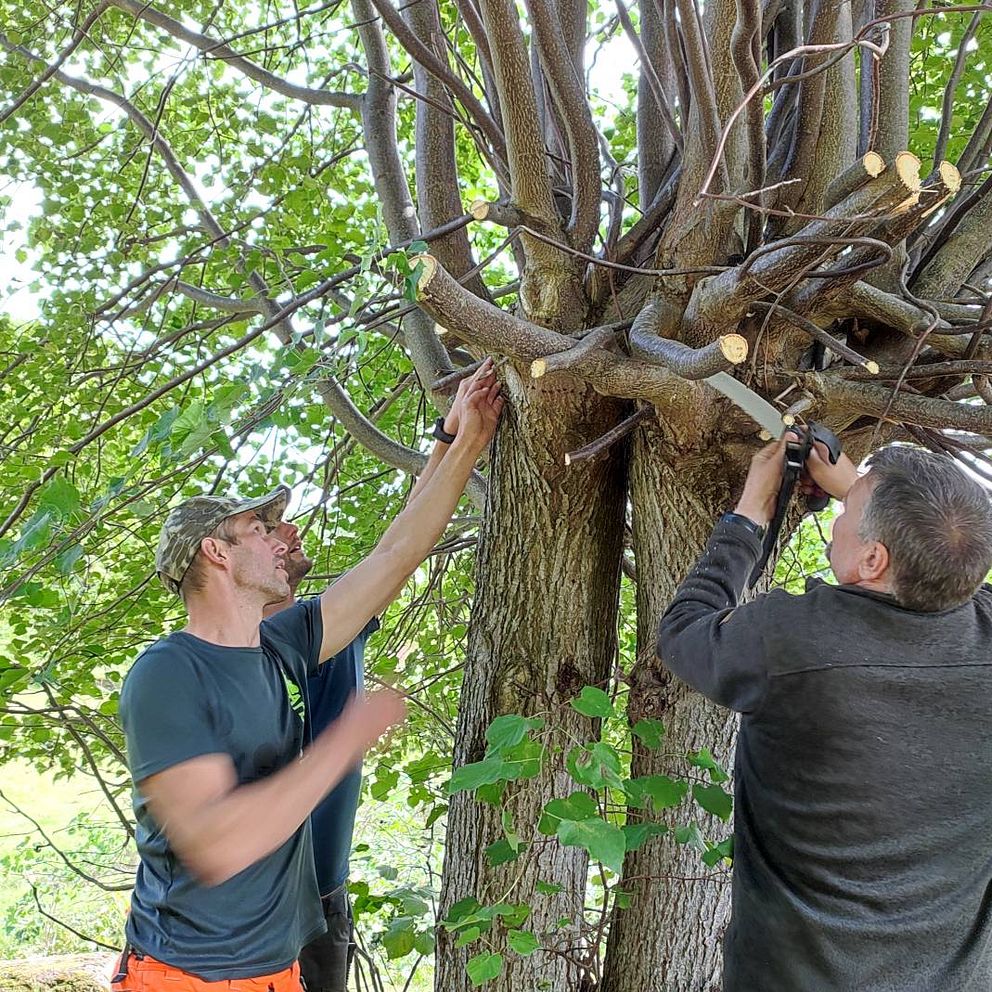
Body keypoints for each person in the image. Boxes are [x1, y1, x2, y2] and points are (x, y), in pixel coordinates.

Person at [111, 361, 502, 992]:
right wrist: (346, 739)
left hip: (280, 971)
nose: (279, 538)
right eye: (259, 529)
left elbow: (393, 555)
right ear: (216, 551)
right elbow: (217, 843)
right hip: (187, 977)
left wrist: (458, 439)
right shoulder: (167, 674)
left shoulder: (282, 644)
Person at [658, 437, 992, 992]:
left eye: (848, 514)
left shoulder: (793, 644)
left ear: (873, 559)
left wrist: (749, 514)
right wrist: (865, 494)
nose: (837, 521)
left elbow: (685, 631)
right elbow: (954, 568)